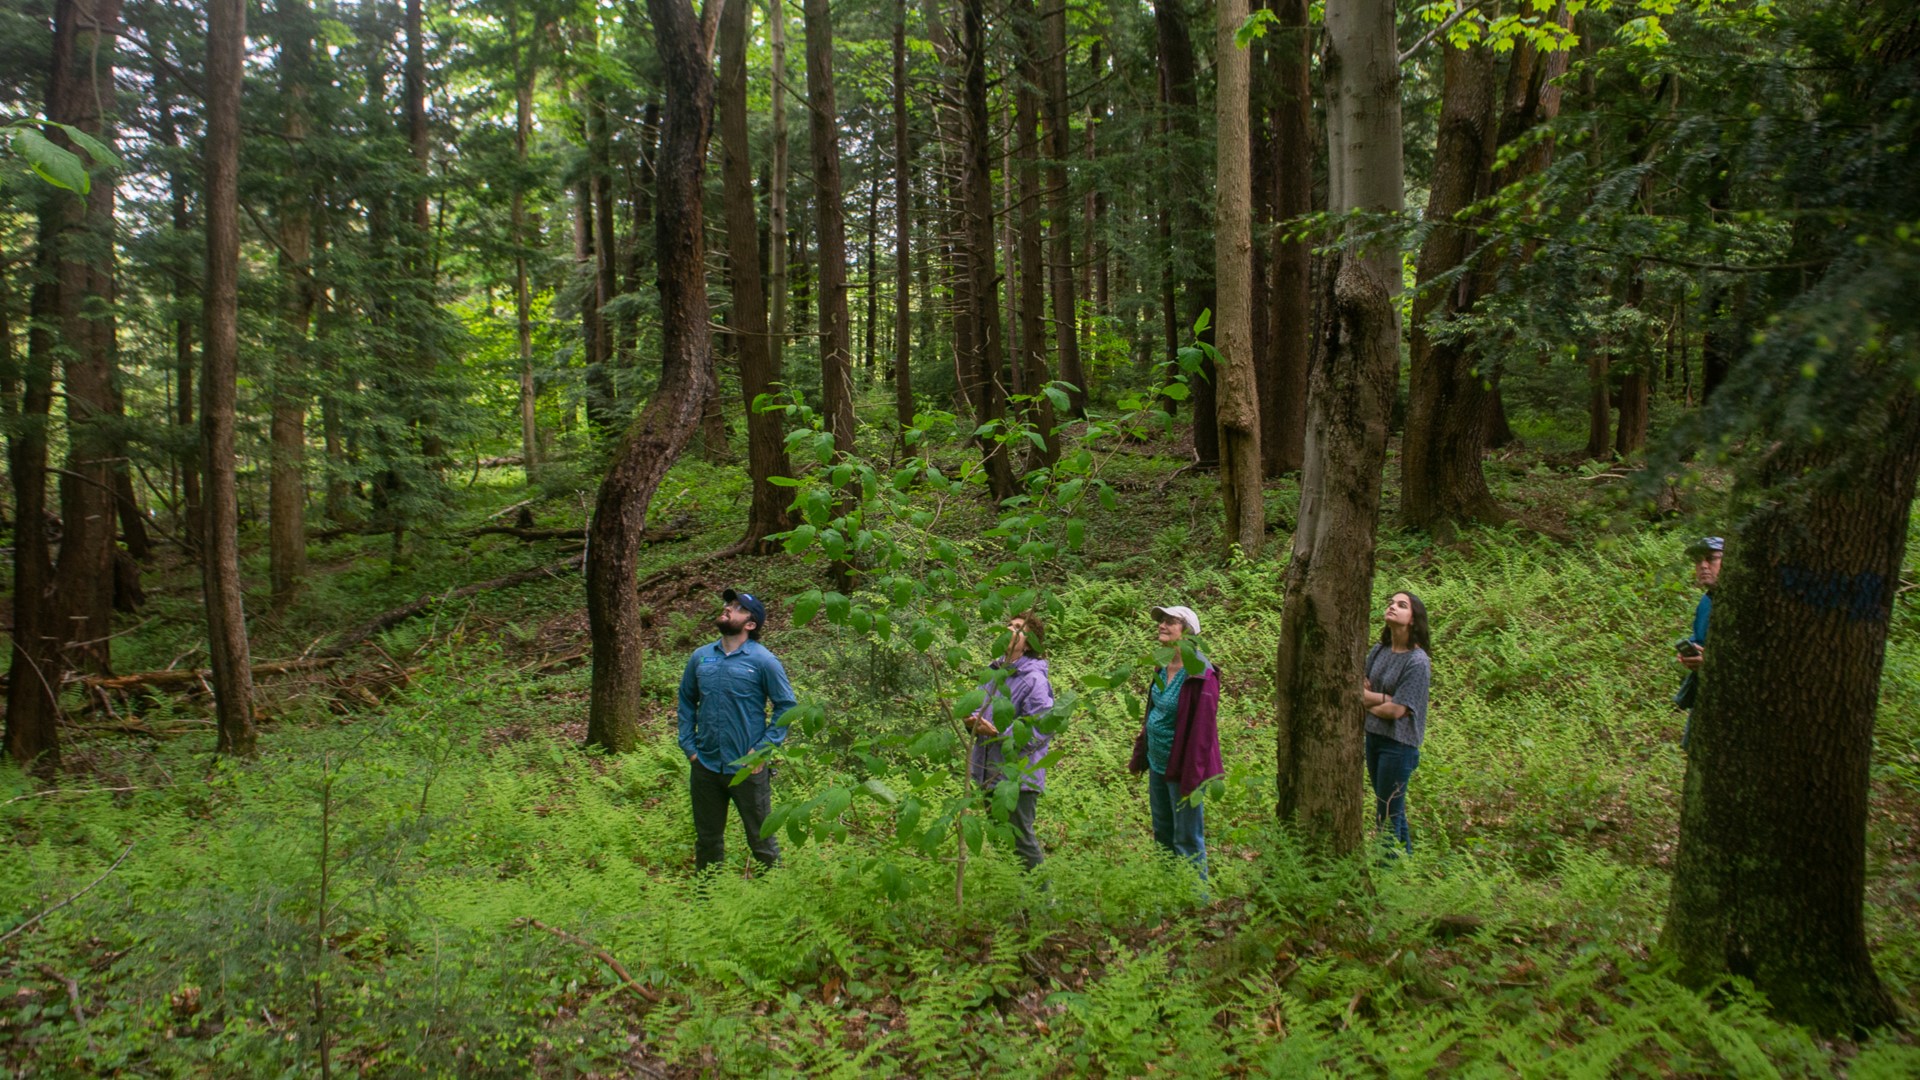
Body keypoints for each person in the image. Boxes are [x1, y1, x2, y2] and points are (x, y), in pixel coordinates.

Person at [677, 588, 796, 872]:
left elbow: (786, 707)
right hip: (705, 765)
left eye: (737, 607)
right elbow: (686, 700)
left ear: (750, 624)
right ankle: (707, 900)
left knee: (762, 842)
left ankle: (776, 900)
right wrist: (689, 747)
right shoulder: (701, 657)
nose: (728, 608)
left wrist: (762, 752)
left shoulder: (763, 661)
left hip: (747, 768)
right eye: (728, 604)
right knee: (707, 841)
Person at [1128, 604, 1222, 880]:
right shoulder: (1162, 665)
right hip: (1158, 762)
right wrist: (1141, 753)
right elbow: (1153, 712)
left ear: (1189, 632)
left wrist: (1192, 777)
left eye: (1171, 622)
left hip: (1183, 767)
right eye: (1161, 620)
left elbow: (1203, 734)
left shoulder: (1201, 675)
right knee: (1164, 833)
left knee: (1187, 838)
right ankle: (1169, 892)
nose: (1162, 625)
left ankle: (1196, 900)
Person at [966, 611, 1055, 871]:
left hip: (1018, 777)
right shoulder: (995, 673)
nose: (1011, 629)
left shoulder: (1034, 680)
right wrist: (972, 721)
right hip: (989, 770)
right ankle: (1015, 901)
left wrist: (997, 735)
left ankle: (1042, 903)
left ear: (1030, 643)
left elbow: (1041, 730)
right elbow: (982, 711)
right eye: (1009, 624)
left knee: (1021, 840)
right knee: (1000, 838)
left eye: (1020, 627)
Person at [1360, 591, 1432, 854]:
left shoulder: (1418, 661)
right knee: (1392, 809)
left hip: (1399, 746)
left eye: (1402, 605)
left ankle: (1386, 871)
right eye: (1391, 603)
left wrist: (1371, 701)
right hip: (1374, 738)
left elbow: (1397, 711)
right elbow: (1359, 689)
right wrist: (1383, 698)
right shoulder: (1379, 650)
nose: (1393, 607)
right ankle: (1407, 867)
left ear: (1413, 620)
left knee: (1387, 812)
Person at [1674, 536, 1722, 750]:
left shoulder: (1743, 601)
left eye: (1711, 559)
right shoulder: (1706, 601)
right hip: (1705, 695)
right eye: (1698, 561)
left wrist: (1710, 659)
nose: (1703, 566)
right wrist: (1689, 654)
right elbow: (1699, 637)